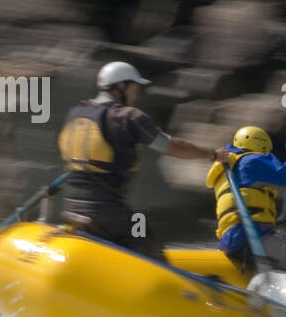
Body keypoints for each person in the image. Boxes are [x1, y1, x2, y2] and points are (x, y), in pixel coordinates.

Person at [58, 61, 224, 261]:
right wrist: (212, 154)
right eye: (135, 88)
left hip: (70, 206)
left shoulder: (76, 112)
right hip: (107, 211)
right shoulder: (128, 117)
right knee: (142, 230)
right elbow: (173, 147)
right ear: (121, 87)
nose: (137, 94)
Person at [207, 126, 286, 286]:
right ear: (262, 146)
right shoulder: (252, 161)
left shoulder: (229, 168)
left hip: (231, 240)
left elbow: (246, 204)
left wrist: (273, 222)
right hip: (252, 239)